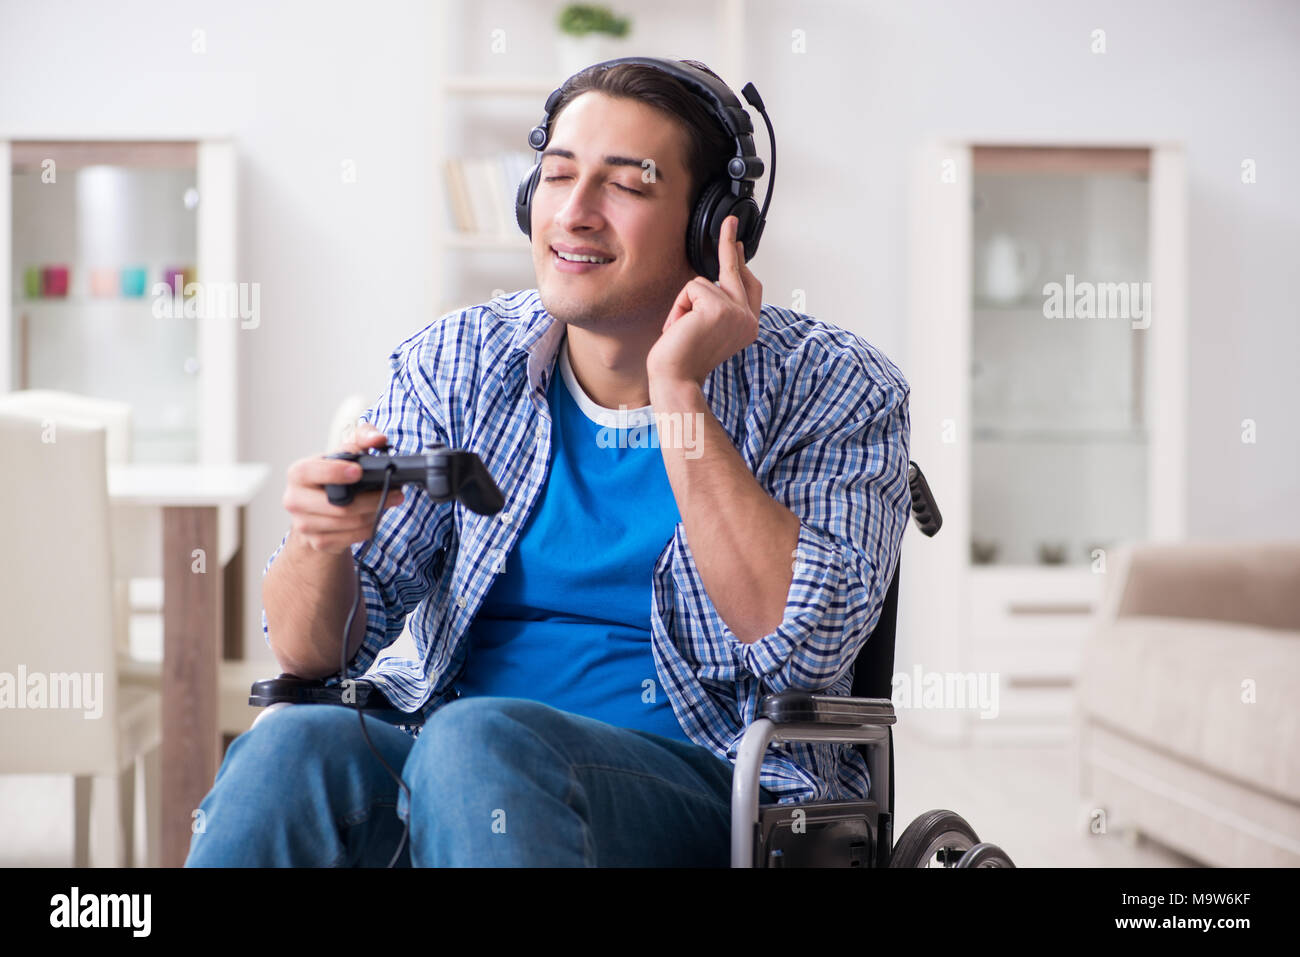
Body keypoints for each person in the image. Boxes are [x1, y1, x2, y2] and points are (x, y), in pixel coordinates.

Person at [186, 57, 911, 867]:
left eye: (626, 186)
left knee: (480, 739)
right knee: (290, 748)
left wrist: (678, 389)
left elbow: (801, 645)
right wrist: (319, 544)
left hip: (703, 792)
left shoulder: (835, 384)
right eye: (558, 176)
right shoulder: (459, 360)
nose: (574, 213)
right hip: (445, 766)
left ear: (715, 226)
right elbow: (311, 655)